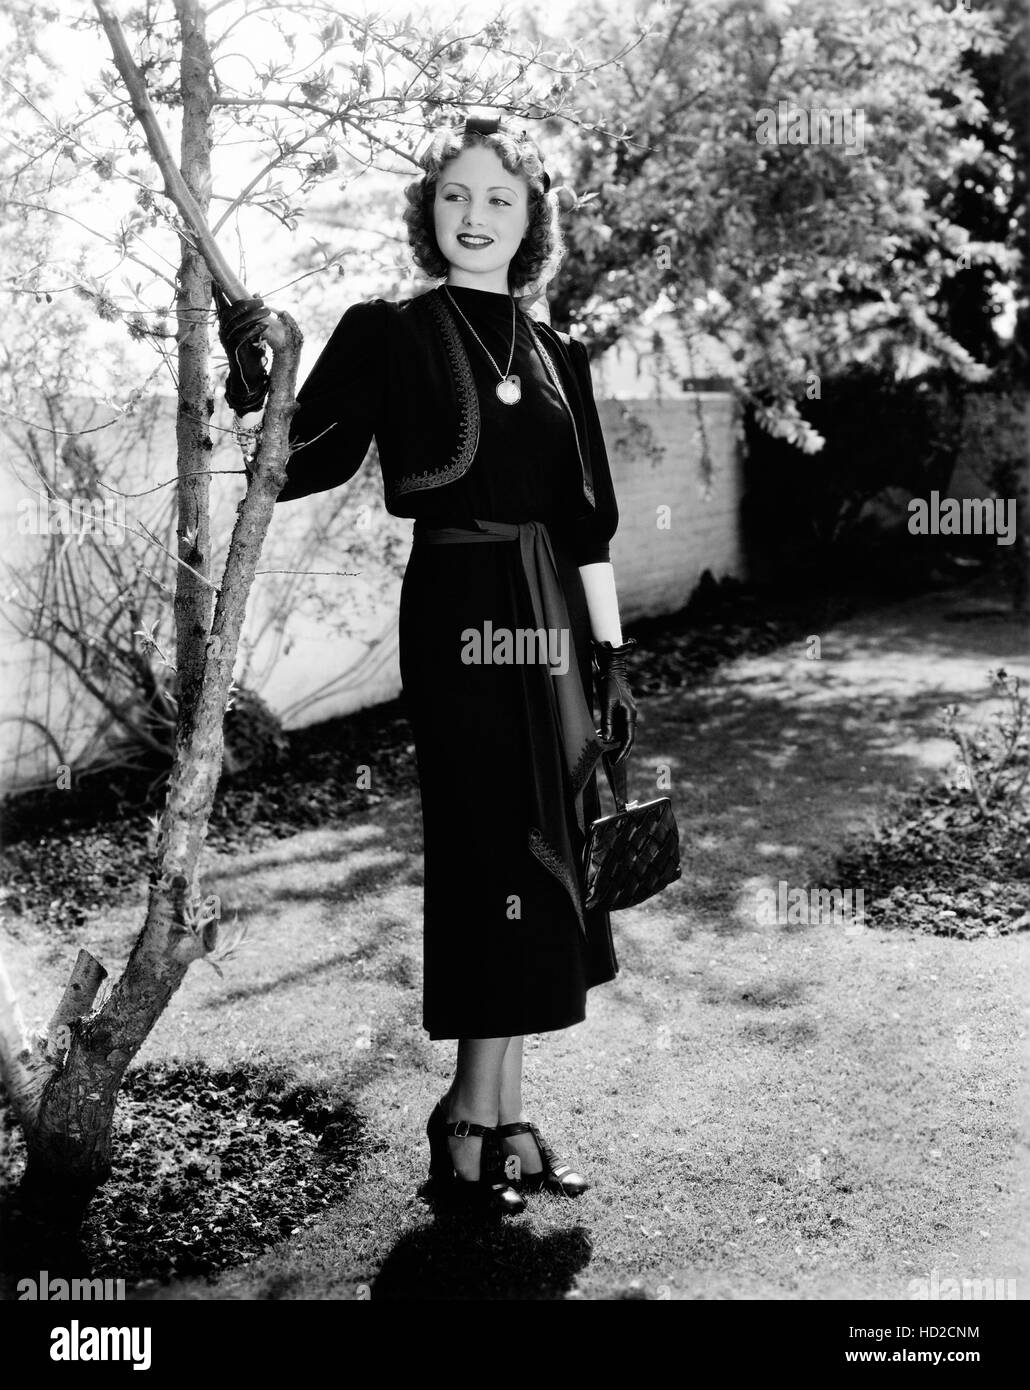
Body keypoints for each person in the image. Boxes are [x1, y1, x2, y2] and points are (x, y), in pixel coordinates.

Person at [216, 115, 639, 1215]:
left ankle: (494, 1118)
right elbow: (299, 457)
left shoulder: (560, 357)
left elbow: (587, 522)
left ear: (530, 219)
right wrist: (253, 367)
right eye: (456, 195)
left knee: (544, 859)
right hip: (457, 611)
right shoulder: (390, 331)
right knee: (485, 851)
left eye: (500, 199)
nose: (476, 215)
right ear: (428, 210)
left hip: (552, 619)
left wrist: (612, 659)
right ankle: (465, 1116)